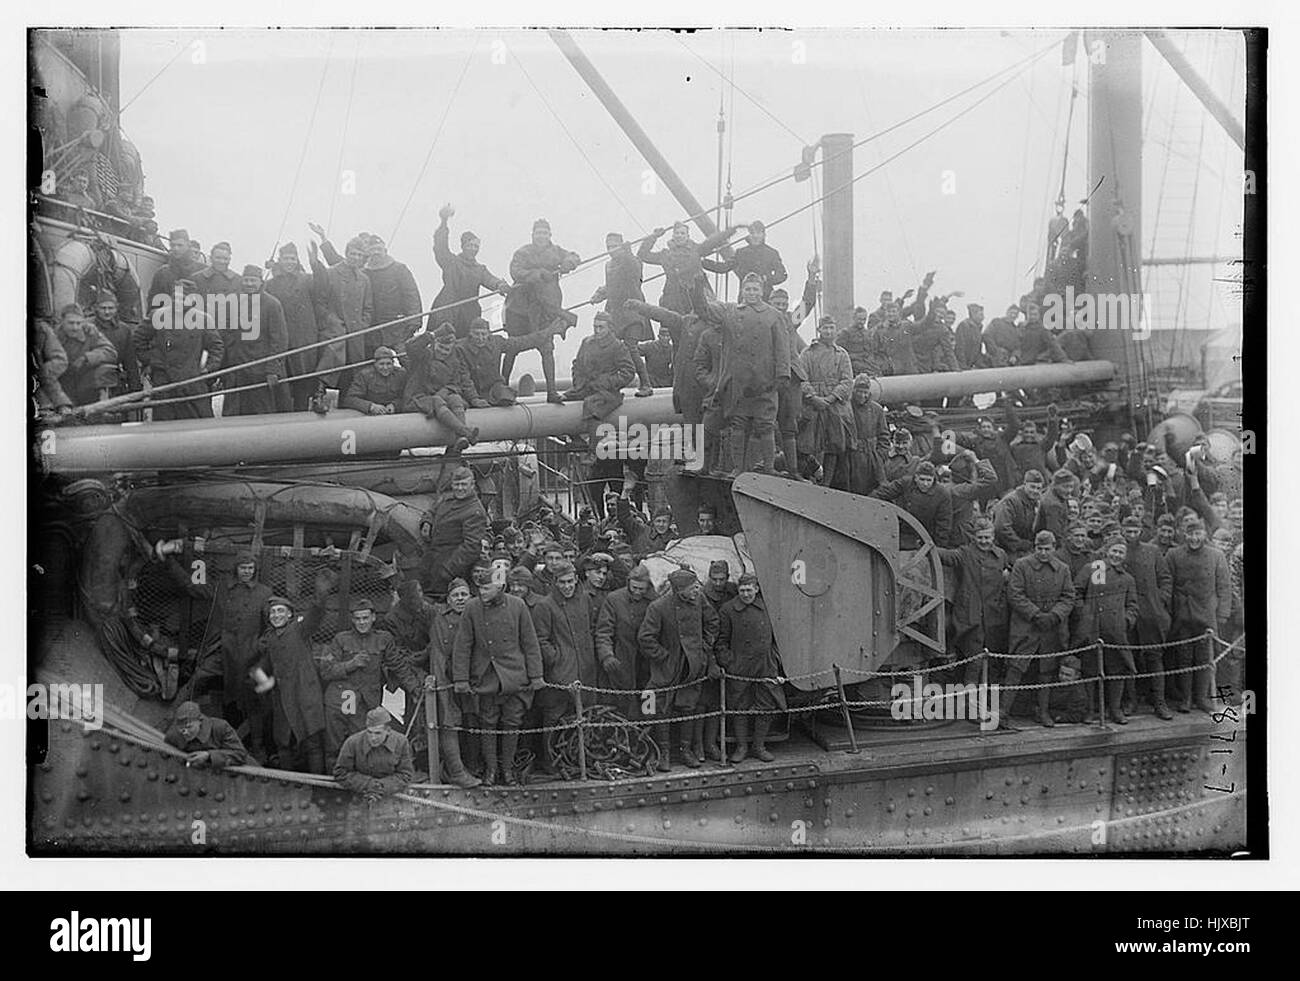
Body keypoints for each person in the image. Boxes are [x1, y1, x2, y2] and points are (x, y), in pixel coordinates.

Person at [452, 568, 545, 786]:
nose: (481, 592)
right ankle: (491, 771)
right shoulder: (472, 608)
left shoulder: (517, 606)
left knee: (512, 723)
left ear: (500, 587)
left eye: (486, 588)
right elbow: (463, 645)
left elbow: (530, 644)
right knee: (488, 723)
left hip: (514, 677)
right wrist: (461, 680)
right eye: (479, 588)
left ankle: (508, 770)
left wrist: (536, 675)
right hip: (486, 677)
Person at [695, 272, 791, 477]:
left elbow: (782, 348)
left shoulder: (774, 315)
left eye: (755, 289)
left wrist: (782, 375)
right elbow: (704, 310)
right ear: (742, 291)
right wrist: (695, 289)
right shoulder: (730, 312)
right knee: (738, 424)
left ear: (762, 291)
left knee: (765, 425)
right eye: (748, 289)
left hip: (764, 381)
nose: (752, 293)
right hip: (737, 382)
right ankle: (738, 468)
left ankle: (769, 468)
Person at [315, 597, 426, 762]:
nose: (362, 622)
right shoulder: (341, 639)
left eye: (365, 618)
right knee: (336, 744)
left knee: (363, 744)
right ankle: (333, 780)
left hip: (367, 701)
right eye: (358, 619)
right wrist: (351, 664)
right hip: (344, 699)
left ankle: (358, 780)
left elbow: (399, 666)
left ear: (373, 617)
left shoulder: (383, 639)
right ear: (353, 620)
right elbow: (326, 671)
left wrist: (414, 688)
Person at [637, 567, 720, 771]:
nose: (696, 590)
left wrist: (703, 648)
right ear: (678, 589)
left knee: (688, 706)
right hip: (667, 666)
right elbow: (645, 638)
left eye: (696, 587)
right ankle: (664, 753)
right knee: (661, 709)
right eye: (692, 588)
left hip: (692, 666)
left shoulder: (700, 600)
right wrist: (663, 656)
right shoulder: (658, 607)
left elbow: (713, 623)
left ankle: (686, 751)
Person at [530, 559, 598, 775]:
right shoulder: (545, 606)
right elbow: (540, 641)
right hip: (559, 676)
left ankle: (577, 760)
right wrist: (557, 660)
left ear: (577, 580)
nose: (567, 586)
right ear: (555, 582)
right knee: (554, 718)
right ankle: (550, 762)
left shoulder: (584, 600)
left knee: (582, 717)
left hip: (584, 671)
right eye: (562, 582)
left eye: (570, 581)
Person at [501, 218, 581, 401]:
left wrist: (570, 262)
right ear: (532, 235)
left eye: (545, 233)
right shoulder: (522, 252)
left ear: (550, 235)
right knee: (512, 346)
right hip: (520, 308)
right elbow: (515, 271)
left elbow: (575, 256)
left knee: (547, 348)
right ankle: (502, 387)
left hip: (547, 308)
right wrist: (536, 274)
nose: (541, 236)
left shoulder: (557, 251)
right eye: (538, 233)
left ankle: (552, 392)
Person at [248, 594, 327, 774]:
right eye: (273, 612)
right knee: (282, 743)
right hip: (283, 698)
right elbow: (265, 664)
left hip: (304, 695)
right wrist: (259, 677)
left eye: (280, 611)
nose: (276, 615)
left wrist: (320, 596)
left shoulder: (299, 630)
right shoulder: (271, 638)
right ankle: (288, 781)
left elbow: (315, 616)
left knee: (312, 742)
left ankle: (318, 786)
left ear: (290, 615)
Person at [1005, 531, 1075, 728]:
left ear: (1054, 548)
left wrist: (1054, 616)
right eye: (1039, 548)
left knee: (1047, 670)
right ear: (1034, 547)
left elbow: (1069, 596)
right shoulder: (1021, 565)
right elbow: (1015, 594)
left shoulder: (1063, 569)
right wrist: (1035, 614)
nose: (1043, 553)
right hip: (1026, 627)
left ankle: (1043, 712)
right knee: (1016, 668)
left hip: (1051, 628)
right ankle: (1003, 712)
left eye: (1047, 549)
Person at [715, 573, 786, 762]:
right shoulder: (728, 610)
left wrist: (775, 660)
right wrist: (730, 662)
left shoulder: (768, 607)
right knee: (740, 706)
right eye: (742, 590)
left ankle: (759, 746)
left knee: (767, 705)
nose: (746, 594)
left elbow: (778, 638)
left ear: (757, 589)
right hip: (740, 666)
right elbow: (721, 641)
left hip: (765, 665)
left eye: (749, 590)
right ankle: (741, 747)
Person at [1165, 517, 1232, 714]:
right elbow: (1167, 585)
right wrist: (1170, 612)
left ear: (1204, 535)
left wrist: (1222, 615)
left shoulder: (1216, 556)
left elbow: (1224, 587)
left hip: (1207, 617)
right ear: (1184, 535)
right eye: (1190, 534)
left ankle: (1202, 698)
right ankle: (1186, 698)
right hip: (1183, 617)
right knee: (1184, 658)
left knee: (1205, 658)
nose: (1194, 538)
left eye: (1198, 534)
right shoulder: (1173, 555)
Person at [1072, 538, 1140, 724]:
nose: (1116, 556)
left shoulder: (1127, 579)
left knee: (1117, 670)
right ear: (1107, 551)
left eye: (1120, 553)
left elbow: (1133, 606)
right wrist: (1085, 613)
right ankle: (1090, 710)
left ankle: (1115, 709)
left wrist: (1126, 620)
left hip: (1116, 633)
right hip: (1093, 629)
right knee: (1090, 670)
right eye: (1114, 551)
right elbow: (1077, 592)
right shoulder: (1097, 569)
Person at [936, 518, 1009, 686]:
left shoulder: (1001, 555)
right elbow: (947, 556)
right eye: (980, 537)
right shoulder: (965, 554)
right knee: (972, 661)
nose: (984, 541)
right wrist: (927, 548)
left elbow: (1006, 577)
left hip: (993, 617)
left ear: (993, 537)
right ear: (974, 537)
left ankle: (987, 704)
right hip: (970, 616)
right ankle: (968, 704)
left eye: (987, 538)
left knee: (992, 662)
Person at [266, 242, 337, 411]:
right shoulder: (271, 284)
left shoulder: (307, 279)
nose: (289, 262)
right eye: (286, 259)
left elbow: (323, 287)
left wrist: (315, 263)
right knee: (282, 384)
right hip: (281, 339)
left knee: (303, 382)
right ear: (280, 261)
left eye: (292, 258)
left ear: (297, 260)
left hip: (304, 338)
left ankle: (301, 416)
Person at [425, 577, 482, 787]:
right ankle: (456, 771)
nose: (460, 599)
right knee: (450, 721)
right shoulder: (439, 618)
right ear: (448, 600)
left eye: (464, 594)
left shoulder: (478, 614)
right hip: (447, 678)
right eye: (456, 595)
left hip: (475, 677)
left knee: (476, 720)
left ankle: (475, 766)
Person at [1121, 516, 1175, 719]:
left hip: (1151, 613)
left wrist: (1160, 600)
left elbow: (1165, 578)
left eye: (1135, 531)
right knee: (1128, 658)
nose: (1132, 535)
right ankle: (1130, 700)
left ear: (1141, 531)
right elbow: (1101, 579)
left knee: (1154, 658)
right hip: (1127, 613)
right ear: (1122, 530)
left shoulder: (1152, 551)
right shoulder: (1115, 551)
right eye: (1128, 531)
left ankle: (1159, 702)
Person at [431, 204, 511, 339]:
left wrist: (499, 285)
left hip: (468, 313)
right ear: (463, 246)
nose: (473, 249)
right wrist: (443, 222)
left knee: (466, 344)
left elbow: (490, 279)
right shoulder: (451, 262)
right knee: (442, 340)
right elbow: (440, 247)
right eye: (470, 245)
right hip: (447, 309)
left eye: (476, 246)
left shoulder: (480, 269)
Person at [591, 231, 655, 396]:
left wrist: (627, 253)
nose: (611, 250)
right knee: (610, 348)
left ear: (622, 245)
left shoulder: (631, 261)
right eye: (608, 247)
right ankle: (610, 384)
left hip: (632, 311)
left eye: (614, 246)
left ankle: (646, 384)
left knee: (631, 348)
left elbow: (635, 274)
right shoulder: (609, 265)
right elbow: (612, 286)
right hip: (615, 312)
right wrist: (600, 295)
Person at [310, 226, 373, 393]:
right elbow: (320, 301)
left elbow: (368, 308)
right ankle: (319, 396)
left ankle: (351, 401)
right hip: (334, 332)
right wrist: (331, 322)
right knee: (330, 370)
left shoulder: (364, 279)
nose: (356, 258)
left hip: (355, 334)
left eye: (359, 255)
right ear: (346, 253)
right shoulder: (331, 273)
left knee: (354, 373)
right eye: (353, 253)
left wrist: (362, 325)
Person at [401, 323, 483, 450]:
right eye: (440, 348)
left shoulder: (454, 362)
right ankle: (466, 432)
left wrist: (444, 392)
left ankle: (460, 439)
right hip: (417, 398)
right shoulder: (423, 355)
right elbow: (410, 346)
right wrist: (434, 334)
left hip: (441, 397)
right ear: (434, 344)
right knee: (437, 400)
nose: (443, 352)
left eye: (447, 350)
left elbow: (456, 385)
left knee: (455, 398)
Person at [223, 265, 290, 416]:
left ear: (261, 282)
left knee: (261, 411)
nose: (249, 284)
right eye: (246, 280)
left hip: (260, 369)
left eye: (253, 280)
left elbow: (279, 340)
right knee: (233, 411)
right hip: (237, 369)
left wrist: (272, 370)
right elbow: (227, 335)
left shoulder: (272, 304)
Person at [563, 311, 636, 446]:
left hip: (607, 392)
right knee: (562, 400)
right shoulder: (587, 342)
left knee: (591, 406)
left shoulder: (617, 346)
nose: (597, 331)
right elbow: (577, 365)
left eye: (601, 327)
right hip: (586, 387)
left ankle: (594, 450)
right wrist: (578, 383)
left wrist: (606, 382)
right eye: (595, 327)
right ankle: (577, 440)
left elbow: (629, 372)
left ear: (610, 328)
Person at [798, 315, 855, 485]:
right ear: (819, 330)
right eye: (825, 328)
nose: (828, 332)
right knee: (809, 445)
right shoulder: (807, 353)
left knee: (835, 445)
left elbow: (847, 381)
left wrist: (830, 398)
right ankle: (811, 479)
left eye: (831, 328)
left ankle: (827, 483)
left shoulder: (842, 354)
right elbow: (802, 379)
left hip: (836, 406)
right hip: (812, 405)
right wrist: (814, 398)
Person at [454, 316, 559, 407]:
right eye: (476, 334)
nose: (480, 338)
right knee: (461, 402)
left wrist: (548, 332)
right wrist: (474, 399)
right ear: (470, 334)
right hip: (471, 391)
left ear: (489, 334)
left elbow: (521, 342)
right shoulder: (461, 349)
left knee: (506, 396)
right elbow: (465, 378)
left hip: (493, 389)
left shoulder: (496, 343)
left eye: (483, 334)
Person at [637, 220, 737, 314]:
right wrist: (653, 237)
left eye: (682, 233)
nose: (679, 236)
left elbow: (712, 242)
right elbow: (643, 255)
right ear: (673, 236)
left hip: (696, 295)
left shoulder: (696, 250)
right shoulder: (665, 255)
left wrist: (730, 231)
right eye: (677, 233)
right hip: (673, 297)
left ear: (687, 236)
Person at [594, 562, 654, 715]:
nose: (637, 592)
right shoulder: (614, 600)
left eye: (641, 589)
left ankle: (647, 734)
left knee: (649, 706)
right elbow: (603, 632)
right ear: (628, 583)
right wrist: (607, 656)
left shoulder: (654, 601)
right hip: (621, 663)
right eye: (634, 588)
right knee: (622, 708)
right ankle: (624, 735)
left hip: (648, 665)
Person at [419, 465, 489, 596]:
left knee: (443, 599)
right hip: (432, 558)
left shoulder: (474, 511)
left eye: (464, 484)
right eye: (456, 484)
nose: (460, 488)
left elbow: (471, 547)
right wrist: (427, 522)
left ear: (472, 485)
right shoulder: (447, 499)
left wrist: (448, 569)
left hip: (451, 566)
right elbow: (431, 510)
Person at [333, 706, 416, 801]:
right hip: (358, 795)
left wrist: (381, 786)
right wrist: (368, 784)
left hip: (391, 796)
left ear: (388, 731)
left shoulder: (401, 742)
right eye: (369, 732)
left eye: (378, 733)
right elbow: (341, 773)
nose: (373, 738)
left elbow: (406, 775)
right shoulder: (353, 742)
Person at [362, 234, 422, 354]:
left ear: (385, 251)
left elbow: (411, 294)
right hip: (373, 329)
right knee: (376, 362)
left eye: (379, 249)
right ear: (367, 253)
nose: (376, 253)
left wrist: (414, 320)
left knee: (405, 357)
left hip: (398, 327)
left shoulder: (399, 269)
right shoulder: (363, 273)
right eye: (372, 250)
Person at [871, 460, 954, 547]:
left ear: (934, 479)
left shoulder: (942, 495)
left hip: (925, 538)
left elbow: (944, 524)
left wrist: (938, 549)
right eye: (922, 479)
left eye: (929, 480)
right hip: (901, 533)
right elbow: (884, 492)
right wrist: (867, 502)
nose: (925, 484)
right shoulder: (906, 483)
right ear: (915, 477)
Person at [53, 303, 118, 406]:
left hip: (85, 390)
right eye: (71, 323)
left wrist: (87, 358)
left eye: (78, 323)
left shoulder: (90, 333)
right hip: (59, 389)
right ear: (62, 321)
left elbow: (110, 352)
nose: (75, 327)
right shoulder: (52, 337)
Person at [709, 220, 787, 299]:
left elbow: (782, 275)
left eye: (758, 233)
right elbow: (723, 267)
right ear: (749, 235)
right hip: (745, 301)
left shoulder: (771, 253)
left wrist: (767, 279)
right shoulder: (741, 253)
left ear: (764, 235)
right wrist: (702, 262)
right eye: (752, 233)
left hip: (765, 299)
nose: (755, 236)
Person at [163, 700, 249, 770]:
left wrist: (209, 756)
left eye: (189, 727)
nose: (185, 732)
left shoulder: (220, 727)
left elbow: (240, 754)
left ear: (200, 721)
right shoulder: (174, 735)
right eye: (181, 728)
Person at [844, 373, 889, 495]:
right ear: (853, 391)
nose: (862, 395)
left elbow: (884, 436)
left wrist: (880, 456)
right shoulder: (846, 407)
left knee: (877, 492)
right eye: (859, 391)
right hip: (850, 458)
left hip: (872, 458)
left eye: (865, 392)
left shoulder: (877, 410)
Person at [88, 292, 141, 395]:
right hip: (90, 384)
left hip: (116, 383)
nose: (107, 312)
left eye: (110, 308)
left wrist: (136, 390)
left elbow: (130, 363)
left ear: (116, 308)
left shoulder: (124, 330)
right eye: (103, 308)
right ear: (96, 308)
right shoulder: (86, 327)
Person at [993, 469, 1045, 560]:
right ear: (1024, 484)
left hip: (1027, 547)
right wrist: (1020, 544)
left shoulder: (1038, 502)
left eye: (1038, 488)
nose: (1035, 491)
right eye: (1032, 487)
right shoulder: (1011, 501)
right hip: (1006, 548)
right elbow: (1001, 527)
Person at [342, 345, 408, 415]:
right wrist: (370, 406)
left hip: (396, 415)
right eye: (381, 364)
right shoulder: (364, 375)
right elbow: (350, 399)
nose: (385, 368)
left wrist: (395, 405)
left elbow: (408, 396)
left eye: (388, 364)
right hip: (370, 416)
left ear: (393, 363)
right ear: (375, 364)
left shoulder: (402, 374)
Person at [836, 306, 874, 376]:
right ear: (854, 318)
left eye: (864, 319)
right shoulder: (845, 333)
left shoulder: (868, 333)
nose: (862, 322)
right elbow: (839, 354)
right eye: (859, 319)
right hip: (853, 367)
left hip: (868, 365)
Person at [637, 323, 675, 388]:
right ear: (659, 336)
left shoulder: (672, 350)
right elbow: (634, 351)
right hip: (651, 381)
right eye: (663, 336)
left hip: (666, 382)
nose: (665, 338)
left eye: (668, 336)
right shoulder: (650, 346)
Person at [954, 303, 985, 369]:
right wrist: (963, 365)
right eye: (981, 315)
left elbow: (978, 349)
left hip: (971, 364)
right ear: (973, 314)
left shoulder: (978, 328)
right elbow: (960, 347)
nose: (983, 317)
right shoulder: (964, 326)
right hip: (963, 364)